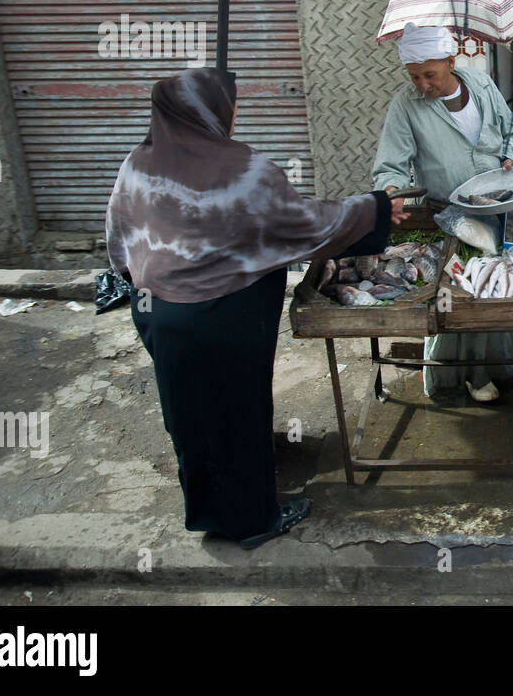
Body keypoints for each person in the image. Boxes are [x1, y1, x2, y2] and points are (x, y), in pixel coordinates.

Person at [106, 67, 401, 550]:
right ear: (213, 112)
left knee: (193, 420)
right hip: (225, 319)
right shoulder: (244, 170)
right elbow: (303, 225)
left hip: (160, 315)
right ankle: (254, 519)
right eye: (231, 104)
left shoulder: (136, 165)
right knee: (238, 415)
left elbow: (118, 243)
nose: (236, 112)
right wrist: (373, 208)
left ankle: (209, 513)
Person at [372, 24, 513, 402]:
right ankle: (474, 375)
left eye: (430, 74)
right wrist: (391, 192)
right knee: (472, 291)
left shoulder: (479, 84)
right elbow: (391, 165)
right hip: (454, 212)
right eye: (414, 76)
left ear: (451, 62)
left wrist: (512, 152)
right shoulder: (406, 106)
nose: (422, 84)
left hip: (509, 200)